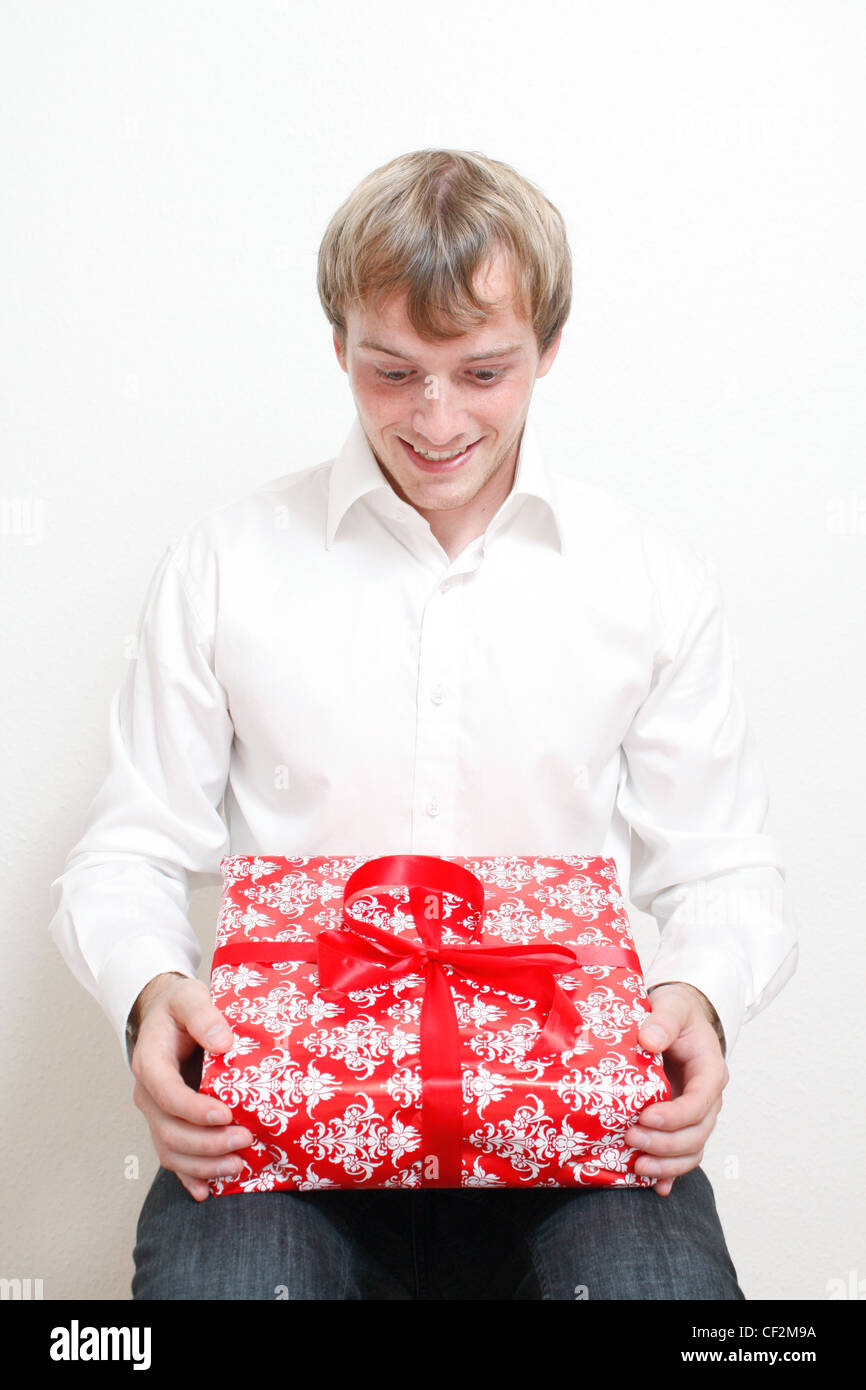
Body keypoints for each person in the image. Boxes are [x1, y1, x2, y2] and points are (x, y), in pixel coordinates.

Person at [49, 148, 798, 1300]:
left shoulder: (646, 581)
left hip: (575, 1133)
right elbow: (129, 852)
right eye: (391, 371)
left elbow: (725, 870)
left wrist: (696, 994)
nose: (436, 418)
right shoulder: (224, 563)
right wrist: (153, 993)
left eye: (482, 371)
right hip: (282, 1127)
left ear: (548, 347)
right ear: (337, 344)